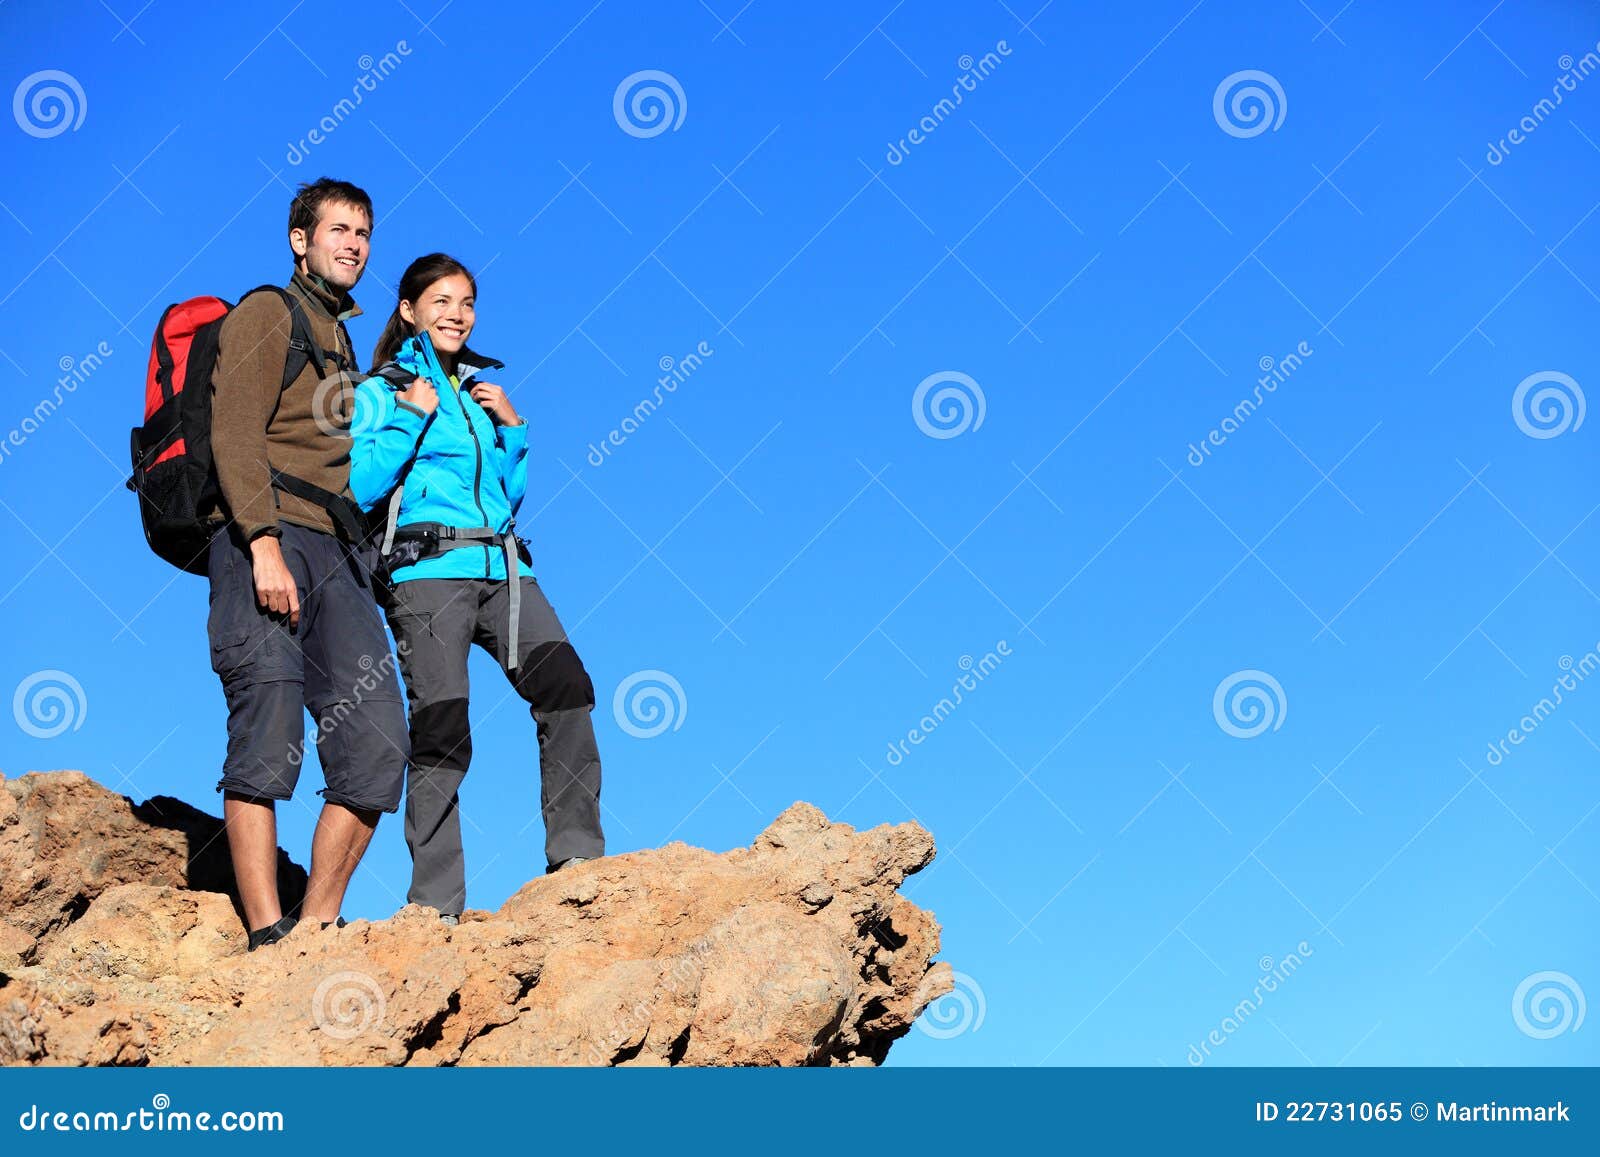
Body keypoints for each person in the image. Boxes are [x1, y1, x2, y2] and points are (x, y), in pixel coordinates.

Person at [350, 252, 605, 923]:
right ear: (409, 310)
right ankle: (436, 903)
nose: (457, 314)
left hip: (506, 573)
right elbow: (364, 485)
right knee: (443, 727)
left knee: (568, 689)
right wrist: (408, 416)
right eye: (441, 300)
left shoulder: (480, 394)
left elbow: (506, 497)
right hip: (428, 577)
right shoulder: (384, 387)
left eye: (466, 302)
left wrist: (514, 432)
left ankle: (575, 856)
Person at [207, 178, 410, 950]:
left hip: (336, 553)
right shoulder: (269, 311)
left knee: (378, 738)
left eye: (364, 231)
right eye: (339, 229)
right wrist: (260, 542)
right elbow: (234, 433)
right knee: (266, 723)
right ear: (301, 239)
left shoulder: (340, 337)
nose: (354, 243)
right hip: (266, 536)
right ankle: (265, 934)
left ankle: (315, 927)